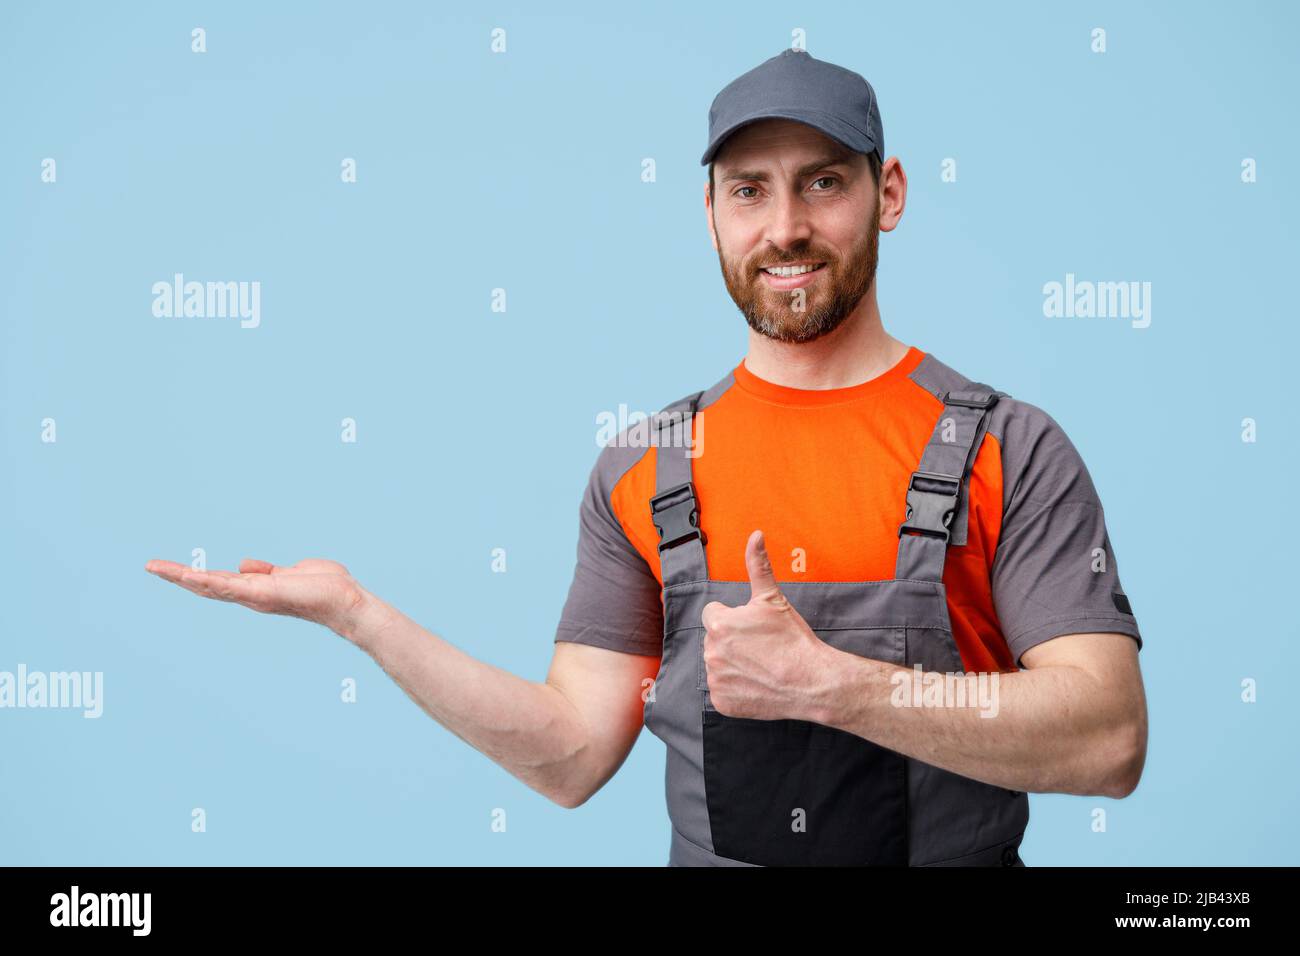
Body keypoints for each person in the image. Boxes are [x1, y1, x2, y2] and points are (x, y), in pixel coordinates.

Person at [146, 49, 1147, 867]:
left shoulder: (1009, 448)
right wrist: (361, 617)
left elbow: (1108, 738)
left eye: (823, 183)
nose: (784, 227)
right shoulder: (647, 465)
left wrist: (831, 685)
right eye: (748, 190)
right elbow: (571, 754)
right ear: (708, 210)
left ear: (887, 193)